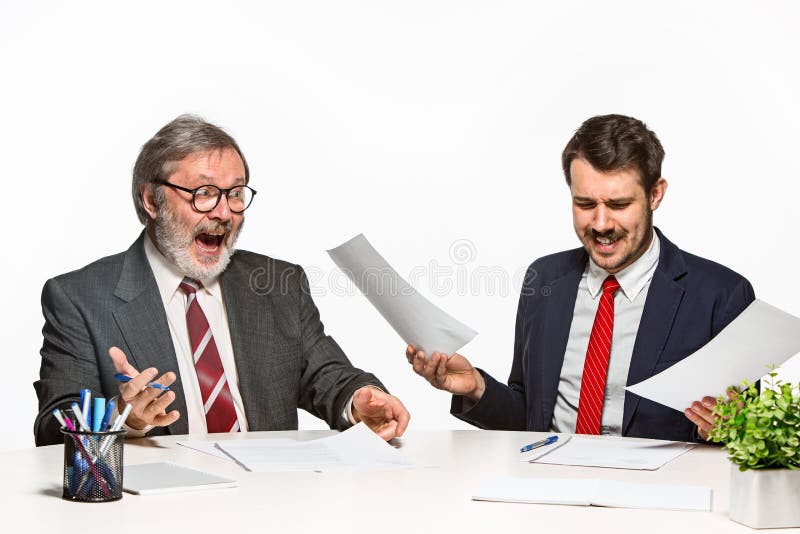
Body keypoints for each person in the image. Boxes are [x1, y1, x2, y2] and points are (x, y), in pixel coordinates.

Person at [34, 114, 409, 446]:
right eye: (204, 194)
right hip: (162, 498)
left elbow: (327, 376)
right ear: (151, 200)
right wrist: (123, 417)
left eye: (235, 194)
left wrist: (359, 400)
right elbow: (53, 427)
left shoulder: (279, 283)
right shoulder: (78, 298)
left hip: (270, 492)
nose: (225, 212)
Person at [407, 114, 754, 442]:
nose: (601, 224)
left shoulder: (721, 296)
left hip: (657, 484)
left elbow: (752, 437)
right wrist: (475, 387)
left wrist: (728, 429)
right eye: (585, 204)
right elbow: (531, 421)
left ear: (655, 194)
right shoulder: (544, 280)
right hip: (549, 479)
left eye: (618, 205)